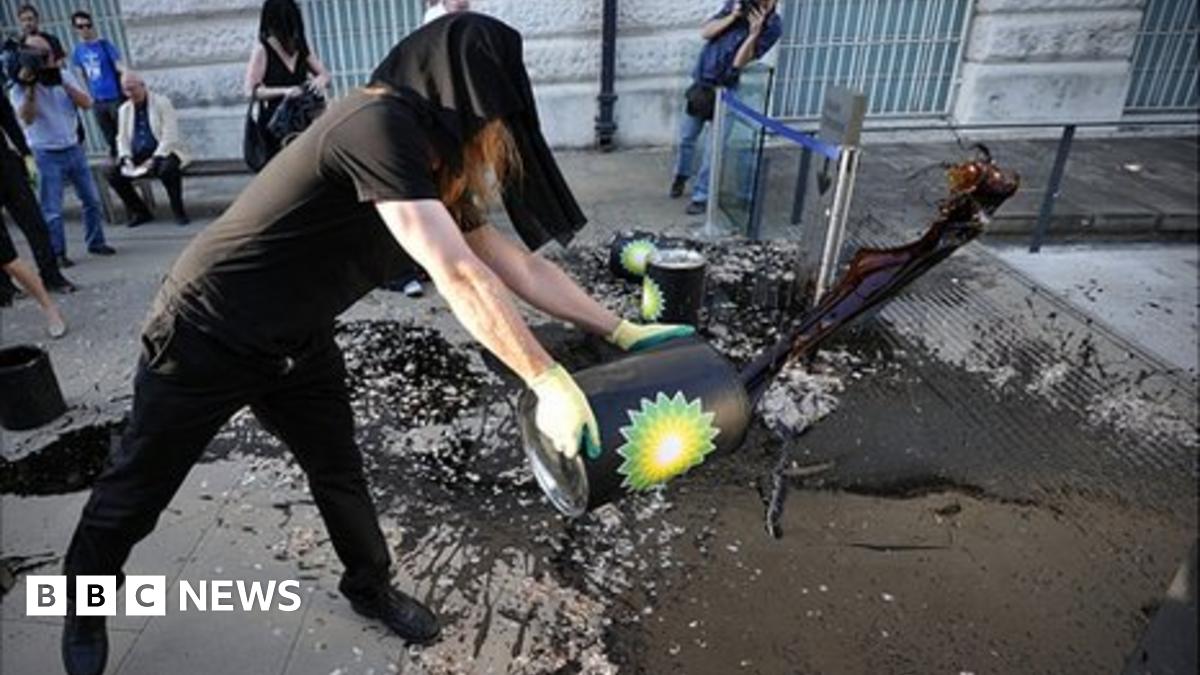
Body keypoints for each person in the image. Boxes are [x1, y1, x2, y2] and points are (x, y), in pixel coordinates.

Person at [59, 14, 694, 675]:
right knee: (137, 492)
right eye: (492, 108)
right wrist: (546, 377)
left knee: (338, 470)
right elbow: (456, 273)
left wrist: (616, 327)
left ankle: (369, 586)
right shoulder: (374, 125)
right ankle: (81, 601)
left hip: (296, 342)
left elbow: (517, 265)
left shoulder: (428, 157)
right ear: (462, 91)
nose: (496, 129)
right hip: (205, 332)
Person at [9, 35, 115, 268]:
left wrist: (61, 81)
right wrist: (31, 88)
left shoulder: (65, 76)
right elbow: (26, 118)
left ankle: (96, 242)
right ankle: (58, 253)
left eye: (46, 53)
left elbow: (87, 103)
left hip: (73, 147)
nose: (44, 58)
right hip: (44, 151)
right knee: (52, 209)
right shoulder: (19, 85)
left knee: (91, 200)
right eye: (37, 54)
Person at [670, 0, 782, 215]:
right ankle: (681, 175)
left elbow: (740, 62)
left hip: (727, 89)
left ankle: (701, 196)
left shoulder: (773, 26)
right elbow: (706, 33)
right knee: (686, 137)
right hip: (702, 84)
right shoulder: (735, 6)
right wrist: (732, 17)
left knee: (715, 149)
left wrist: (753, 34)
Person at [0, 81, 75, 295]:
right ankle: (5, 285)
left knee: (35, 222)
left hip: (6, 164)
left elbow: (9, 121)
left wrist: (26, 156)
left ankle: (51, 275)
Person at [243, 0, 332, 167]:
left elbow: (325, 75)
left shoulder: (301, 48)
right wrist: (285, 91)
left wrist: (320, 80)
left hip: (304, 119)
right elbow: (250, 90)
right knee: (283, 168)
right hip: (276, 123)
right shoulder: (263, 50)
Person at [105, 72, 191, 227]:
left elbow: (170, 135)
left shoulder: (161, 103)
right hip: (138, 153)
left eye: (133, 89)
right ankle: (141, 212)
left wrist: (155, 158)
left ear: (143, 86)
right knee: (112, 173)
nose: (130, 93)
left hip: (165, 151)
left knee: (168, 170)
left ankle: (179, 211)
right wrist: (125, 157)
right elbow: (122, 137)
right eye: (126, 90)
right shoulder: (124, 109)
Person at [70, 10, 124, 158]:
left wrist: (128, 75)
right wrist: (88, 96)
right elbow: (81, 75)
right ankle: (120, 173)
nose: (85, 29)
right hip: (97, 101)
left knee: (123, 136)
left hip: (114, 97)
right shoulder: (78, 51)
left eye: (88, 25)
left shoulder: (105, 45)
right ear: (75, 29)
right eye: (80, 26)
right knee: (109, 138)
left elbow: (118, 64)